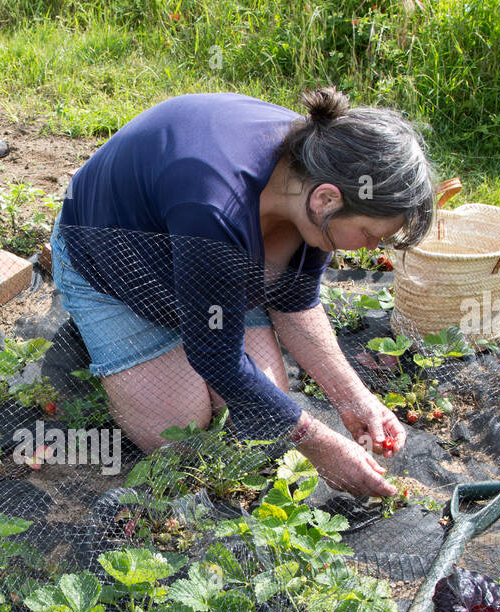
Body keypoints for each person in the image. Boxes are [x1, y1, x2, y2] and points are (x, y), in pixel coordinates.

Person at [50, 87, 438, 497]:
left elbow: (295, 300)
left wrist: (355, 400)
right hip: (117, 265)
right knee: (178, 435)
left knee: (256, 427)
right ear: (326, 200)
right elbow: (215, 356)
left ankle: (193, 326)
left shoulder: (315, 171)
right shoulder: (215, 204)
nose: (371, 249)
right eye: (369, 234)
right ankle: (98, 332)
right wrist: (320, 445)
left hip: (213, 268)